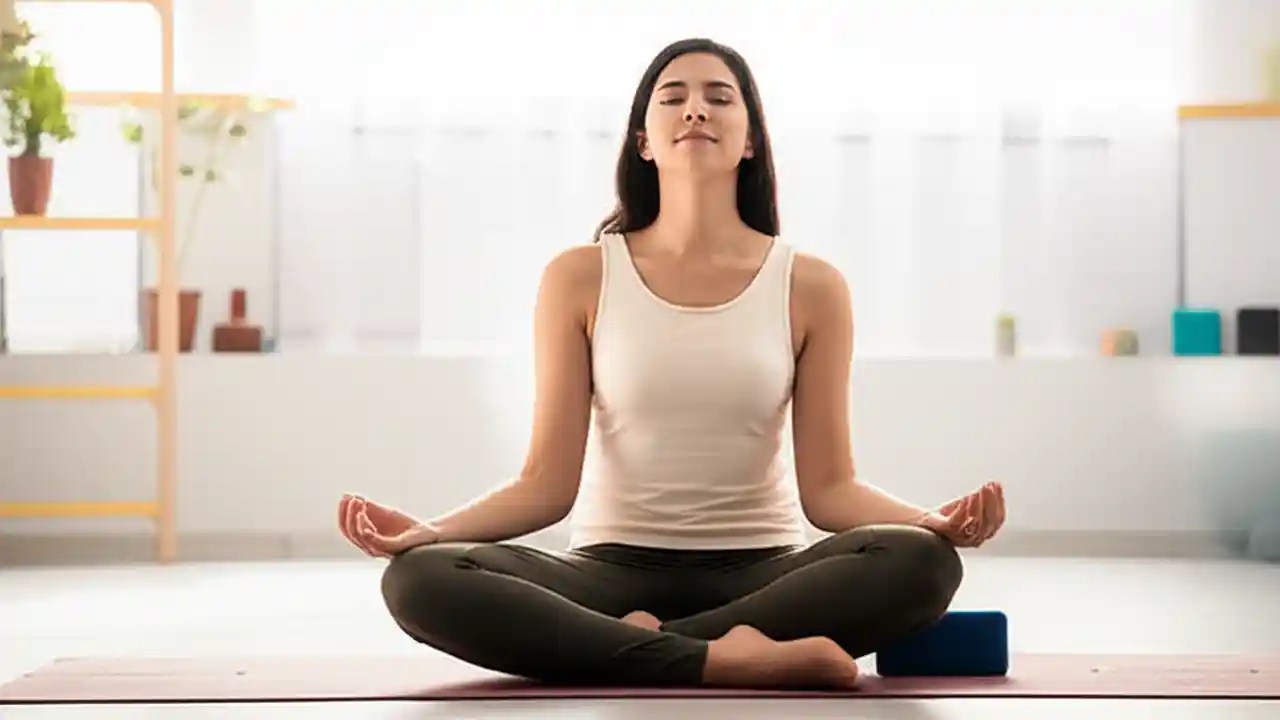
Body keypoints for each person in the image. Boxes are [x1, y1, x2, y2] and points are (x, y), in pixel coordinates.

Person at [336, 37, 1006, 689]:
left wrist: (930, 523)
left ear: (749, 140)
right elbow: (545, 483)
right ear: (644, 141)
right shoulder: (579, 276)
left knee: (921, 564)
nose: (695, 110)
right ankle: (726, 658)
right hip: (606, 574)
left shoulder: (812, 285)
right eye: (673, 97)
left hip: (764, 575)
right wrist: (431, 531)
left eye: (719, 97)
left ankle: (640, 647)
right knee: (418, 578)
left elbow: (831, 491)